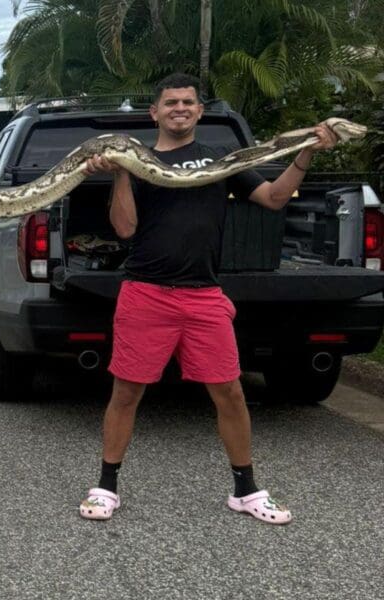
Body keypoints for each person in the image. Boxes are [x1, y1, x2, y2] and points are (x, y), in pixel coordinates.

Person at [79, 72, 337, 524]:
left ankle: (246, 489)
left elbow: (275, 198)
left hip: (203, 295)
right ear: (154, 112)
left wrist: (305, 154)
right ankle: (106, 485)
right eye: (171, 102)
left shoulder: (222, 161)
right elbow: (124, 229)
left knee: (231, 392)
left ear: (199, 111)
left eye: (188, 102)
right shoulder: (137, 162)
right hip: (145, 292)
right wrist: (120, 173)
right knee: (126, 392)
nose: (180, 108)